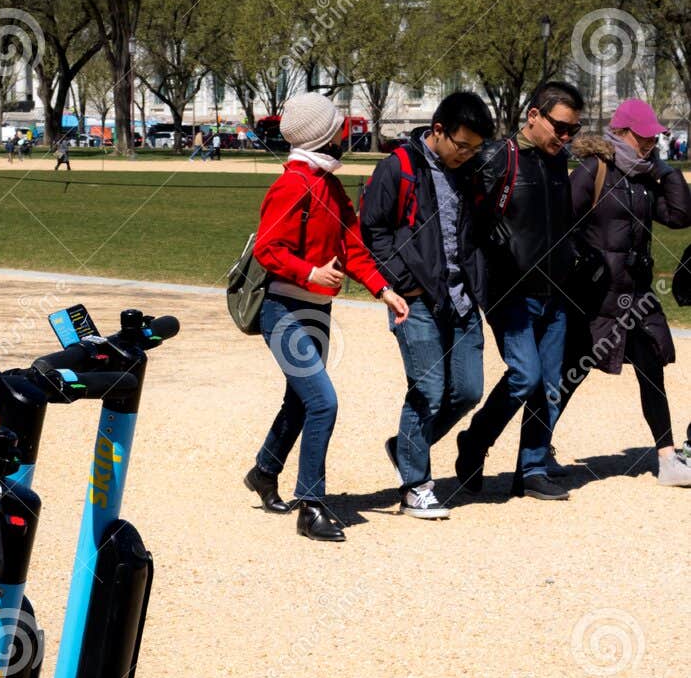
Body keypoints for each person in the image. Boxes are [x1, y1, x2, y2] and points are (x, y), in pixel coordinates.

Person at [245, 91, 409, 542]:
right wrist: (310, 270)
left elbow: (353, 248)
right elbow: (267, 248)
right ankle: (310, 504)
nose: (345, 133)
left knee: (300, 401)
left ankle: (264, 471)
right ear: (322, 134)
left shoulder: (329, 184)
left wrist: (383, 289)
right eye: (339, 127)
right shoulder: (292, 185)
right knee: (322, 401)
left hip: (316, 311)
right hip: (282, 311)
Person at [360, 90, 495, 517]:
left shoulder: (470, 172)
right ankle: (416, 485)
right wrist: (401, 283)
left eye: (476, 148)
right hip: (414, 300)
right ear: (438, 130)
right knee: (429, 392)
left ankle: (405, 448)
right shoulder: (396, 168)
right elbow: (373, 231)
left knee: (469, 390)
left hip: (460, 299)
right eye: (462, 145)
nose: (468, 154)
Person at [455, 79, 585, 500]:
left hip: (556, 292)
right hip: (511, 291)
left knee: (549, 385)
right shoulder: (495, 157)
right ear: (533, 115)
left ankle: (531, 468)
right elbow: (465, 225)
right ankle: (475, 441)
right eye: (560, 127)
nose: (565, 137)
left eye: (573, 131)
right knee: (526, 377)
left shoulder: (556, 162)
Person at [559, 99, 691, 487]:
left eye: (654, 138)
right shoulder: (593, 169)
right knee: (570, 374)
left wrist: (665, 171)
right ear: (621, 132)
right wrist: (586, 264)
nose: (651, 142)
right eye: (644, 136)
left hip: (637, 294)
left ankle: (667, 459)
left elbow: (680, 217)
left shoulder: (646, 177)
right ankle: (534, 453)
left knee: (652, 369)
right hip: (596, 297)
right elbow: (562, 225)